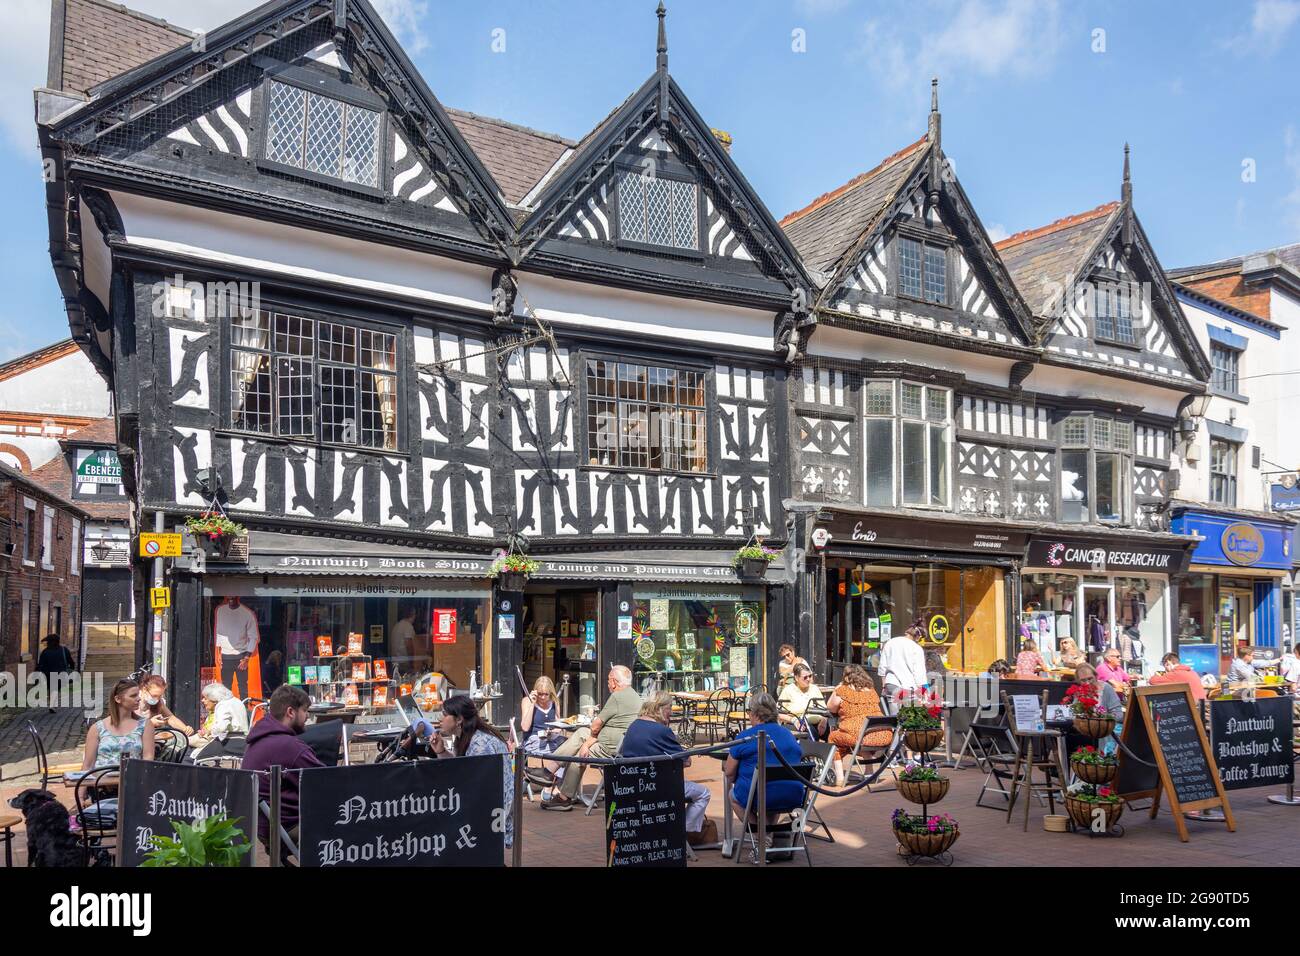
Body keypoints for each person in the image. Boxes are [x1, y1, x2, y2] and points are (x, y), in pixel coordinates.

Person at [620, 692, 715, 845]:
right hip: (660, 787)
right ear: (661, 709)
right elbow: (686, 761)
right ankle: (682, 834)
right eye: (670, 708)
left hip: (633, 787)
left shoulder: (633, 726)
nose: (671, 712)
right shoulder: (661, 731)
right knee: (703, 793)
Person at [542, 665, 640, 810]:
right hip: (622, 745)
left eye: (608, 680)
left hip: (611, 749)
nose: (607, 683)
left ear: (614, 682)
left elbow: (595, 725)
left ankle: (554, 781)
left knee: (579, 748)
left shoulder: (617, 697)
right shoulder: (634, 695)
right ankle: (560, 790)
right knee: (581, 737)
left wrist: (588, 742)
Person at [242, 685, 324, 857]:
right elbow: (328, 782)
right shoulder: (290, 747)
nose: (308, 716)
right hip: (289, 830)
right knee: (354, 822)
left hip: (266, 829)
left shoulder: (258, 739)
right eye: (305, 710)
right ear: (290, 712)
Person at [429, 694, 514, 848]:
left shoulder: (480, 745)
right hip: (486, 809)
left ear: (459, 719)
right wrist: (441, 751)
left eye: (444, 714)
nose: (440, 718)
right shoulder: (468, 738)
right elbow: (462, 770)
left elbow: (474, 785)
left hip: (493, 815)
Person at [725, 693, 804, 826]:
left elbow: (729, 774)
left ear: (755, 714)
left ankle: (761, 835)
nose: (749, 715)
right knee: (774, 789)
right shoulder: (789, 735)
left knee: (733, 795)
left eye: (749, 712)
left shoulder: (745, 737)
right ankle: (767, 833)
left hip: (757, 797)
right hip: (793, 796)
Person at [825, 663, 893, 787]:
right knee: (860, 736)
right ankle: (869, 772)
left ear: (846, 676)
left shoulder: (842, 690)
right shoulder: (871, 690)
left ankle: (840, 778)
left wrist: (837, 689)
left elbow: (831, 707)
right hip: (883, 736)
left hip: (861, 737)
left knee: (833, 737)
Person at [82, 678, 155, 770]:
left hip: (131, 780)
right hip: (100, 781)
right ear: (118, 699)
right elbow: (88, 765)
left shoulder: (145, 725)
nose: (139, 699)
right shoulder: (98, 728)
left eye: (138, 695)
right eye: (133, 696)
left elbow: (148, 761)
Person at [1073, 662, 1123, 756]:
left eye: (1090, 678)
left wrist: (1103, 718)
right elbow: (1073, 712)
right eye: (1083, 680)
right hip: (1086, 731)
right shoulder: (1079, 692)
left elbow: (1119, 714)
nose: (1087, 682)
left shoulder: (1106, 688)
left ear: (1096, 676)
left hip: (1105, 730)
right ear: (1079, 681)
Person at [214, 595, 260, 695]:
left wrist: (247, 657)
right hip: (225, 655)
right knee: (226, 686)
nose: (231, 597)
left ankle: (244, 709)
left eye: (234, 595)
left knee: (243, 686)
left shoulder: (247, 613)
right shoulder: (220, 611)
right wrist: (218, 653)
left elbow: (254, 637)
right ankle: (227, 708)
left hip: (241, 656)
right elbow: (219, 632)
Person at [519, 675, 562, 781]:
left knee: (572, 749)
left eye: (546, 694)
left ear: (550, 693)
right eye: (540, 694)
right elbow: (525, 727)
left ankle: (555, 783)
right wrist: (532, 704)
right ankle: (551, 780)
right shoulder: (527, 701)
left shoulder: (554, 702)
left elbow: (559, 726)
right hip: (533, 739)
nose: (543, 697)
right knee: (565, 753)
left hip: (551, 739)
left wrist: (553, 731)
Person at [878, 623, 927, 707]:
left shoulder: (890, 642)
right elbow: (919, 673)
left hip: (891, 684)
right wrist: (922, 692)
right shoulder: (917, 648)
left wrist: (884, 685)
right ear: (918, 636)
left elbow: (882, 667)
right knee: (910, 717)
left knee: (893, 717)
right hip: (909, 686)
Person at [189, 681, 250, 748]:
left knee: (187, 744)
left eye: (205, 698)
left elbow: (221, 728)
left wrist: (208, 731)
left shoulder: (223, 705)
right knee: (188, 741)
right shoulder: (236, 701)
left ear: (214, 700)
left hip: (229, 743)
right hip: (239, 740)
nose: (202, 700)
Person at [778, 663, 826, 738]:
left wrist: (824, 721)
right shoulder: (788, 690)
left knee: (830, 735)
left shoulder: (814, 688)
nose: (808, 679)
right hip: (798, 723)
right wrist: (794, 720)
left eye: (810, 676)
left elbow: (824, 709)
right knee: (811, 732)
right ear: (796, 678)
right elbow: (778, 713)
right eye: (805, 677)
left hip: (818, 723)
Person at [36, 634, 75, 713]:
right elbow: (70, 661)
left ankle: (52, 704)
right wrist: (71, 668)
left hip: (48, 674)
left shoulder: (45, 652)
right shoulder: (64, 650)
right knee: (55, 689)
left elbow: (40, 665)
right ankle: (52, 705)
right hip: (61, 673)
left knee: (52, 689)